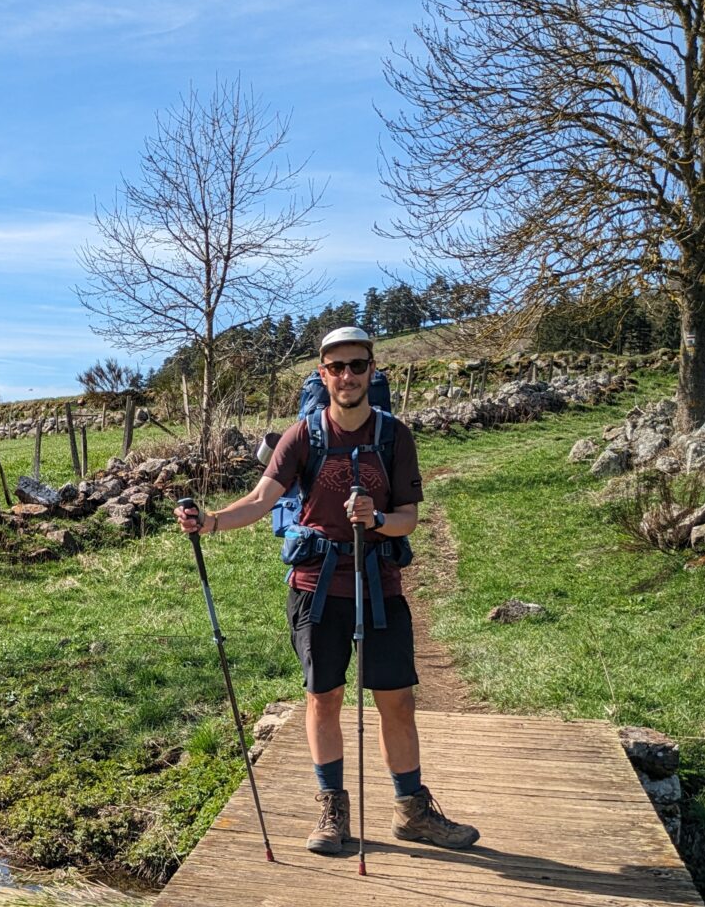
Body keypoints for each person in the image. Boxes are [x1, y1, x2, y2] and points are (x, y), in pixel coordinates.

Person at [175, 325, 480, 856]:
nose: (346, 376)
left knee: (397, 702)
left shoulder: (393, 436)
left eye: (356, 366)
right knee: (324, 698)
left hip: (379, 587)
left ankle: (411, 810)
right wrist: (211, 523)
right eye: (336, 367)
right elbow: (261, 498)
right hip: (315, 587)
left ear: (371, 371)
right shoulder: (302, 436)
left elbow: (409, 518)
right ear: (323, 374)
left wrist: (378, 518)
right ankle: (332, 808)